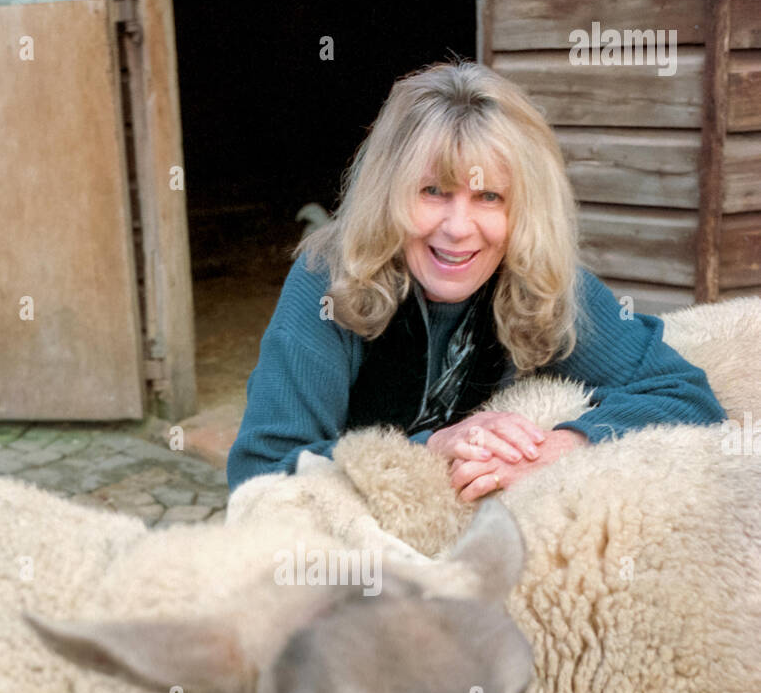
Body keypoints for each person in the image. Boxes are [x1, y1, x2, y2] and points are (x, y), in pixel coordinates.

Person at [226, 60, 726, 499]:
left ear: (522, 208)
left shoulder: (540, 278)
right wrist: (427, 451)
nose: (458, 228)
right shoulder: (328, 281)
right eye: (433, 191)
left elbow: (685, 395)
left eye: (489, 197)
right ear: (388, 193)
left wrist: (567, 446)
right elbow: (260, 474)